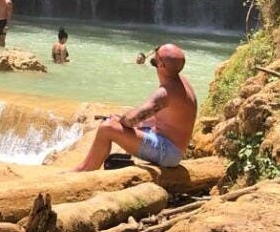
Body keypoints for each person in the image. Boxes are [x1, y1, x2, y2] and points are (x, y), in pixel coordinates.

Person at [70, 43, 198, 171]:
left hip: (167, 152)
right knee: (129, 124)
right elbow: (166, 118)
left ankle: (84, 170)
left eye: (154, 59)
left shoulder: (165, 92)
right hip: (173, 149)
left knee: (107, 128)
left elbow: (132, 119)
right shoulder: (182, 83)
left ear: (161, 65)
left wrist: (119, 120)